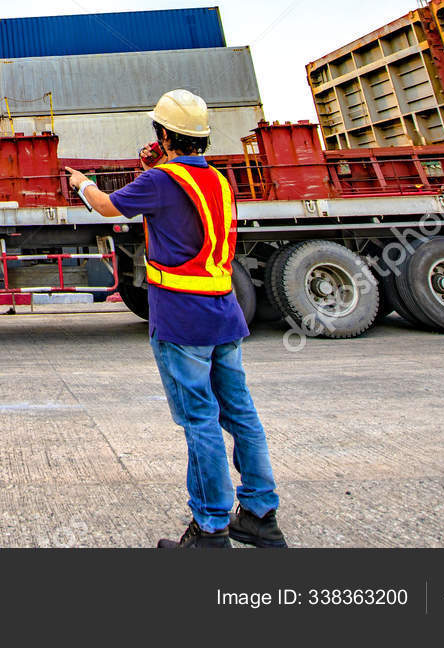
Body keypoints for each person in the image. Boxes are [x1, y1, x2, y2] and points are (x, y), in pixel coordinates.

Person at [65, 89, 287, 550]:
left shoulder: (161, 181)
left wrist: (82, 183)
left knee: (200, 420)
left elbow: (106, 206)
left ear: (164, 135)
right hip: (223, 311)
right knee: (241, 414)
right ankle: (261, 517)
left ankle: (211, 529)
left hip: (183, 318)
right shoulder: (218, 181)